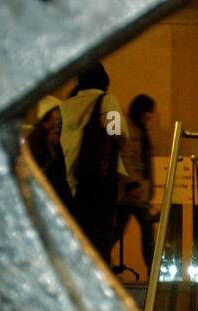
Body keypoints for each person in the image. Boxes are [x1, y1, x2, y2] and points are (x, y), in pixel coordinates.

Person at [59, 63, 128, 255]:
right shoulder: (107, 101)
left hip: (73, 175)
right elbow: (118, 130)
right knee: (101, 233)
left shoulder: (65, 106)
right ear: (103, 79)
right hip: (101, 176)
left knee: (80, 232)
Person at [113, 94, 157, 273]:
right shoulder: (130, 129)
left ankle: (152, 268)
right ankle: (152, 269)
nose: (151, 116)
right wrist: (132, 184)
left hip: (137, 192)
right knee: (141, 229)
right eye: (149, 112)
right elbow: (126, 157)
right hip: (130, 192)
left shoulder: (140, 129)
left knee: (123, 229)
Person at [22, 98, 73, 203]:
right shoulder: (37, 137)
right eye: (57, 112)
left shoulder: (53, 135)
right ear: (48, 114)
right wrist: (50, 146)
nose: (60, 116)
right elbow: (43, 169)